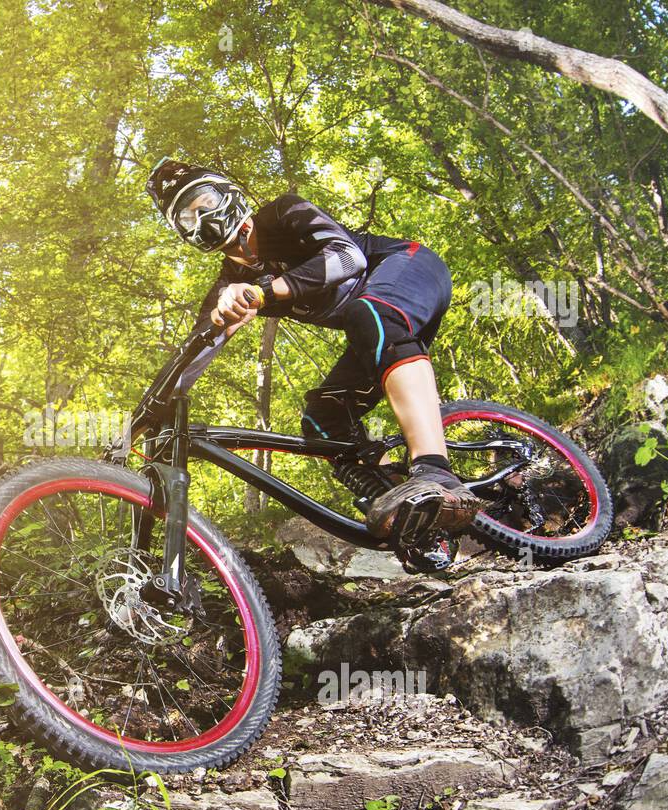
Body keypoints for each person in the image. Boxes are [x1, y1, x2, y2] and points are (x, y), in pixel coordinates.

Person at [145, 158, 481, 542]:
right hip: (371, 327)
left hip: (410, 267)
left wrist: (262, 293)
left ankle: (435, 470)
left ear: (226, 192)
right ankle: (401, 505)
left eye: (201, 201)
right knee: (322, 419)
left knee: (366, 313)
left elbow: (348, 256)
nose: (200, 218)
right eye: (187, 218)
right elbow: (193, 355)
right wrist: (143, 417)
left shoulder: (284, 213)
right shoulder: (230, 282)